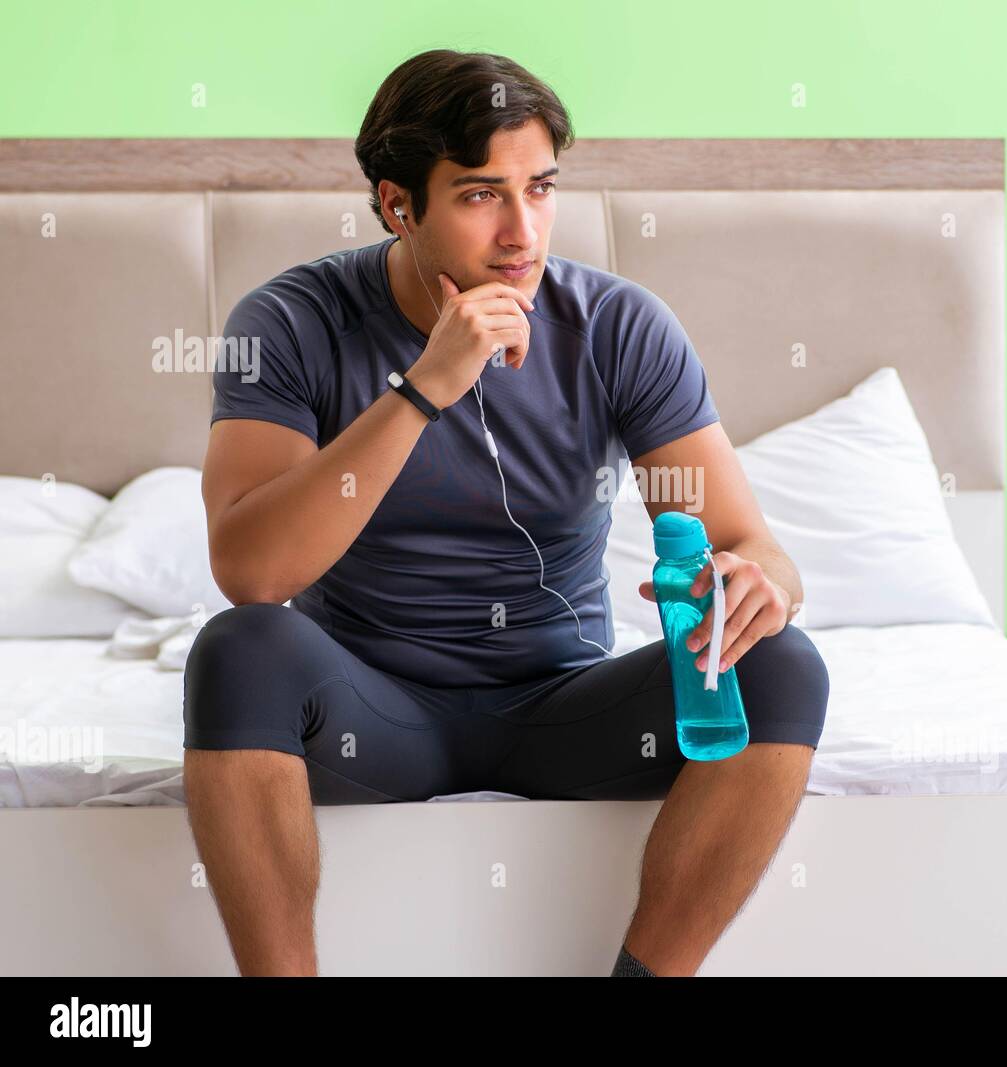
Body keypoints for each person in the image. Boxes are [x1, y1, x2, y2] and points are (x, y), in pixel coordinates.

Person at [182, 48, 829, 978]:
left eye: (541, 188)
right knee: (239, 647)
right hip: (374, 710)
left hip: (563, 707)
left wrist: (759, 582)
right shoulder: (290, 323)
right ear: (399, 203)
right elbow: (252, 571)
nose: (522, 231)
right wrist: (424, 388)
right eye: (482, 194)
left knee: (782, 662)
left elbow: (749, 541)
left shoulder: (618, 328)